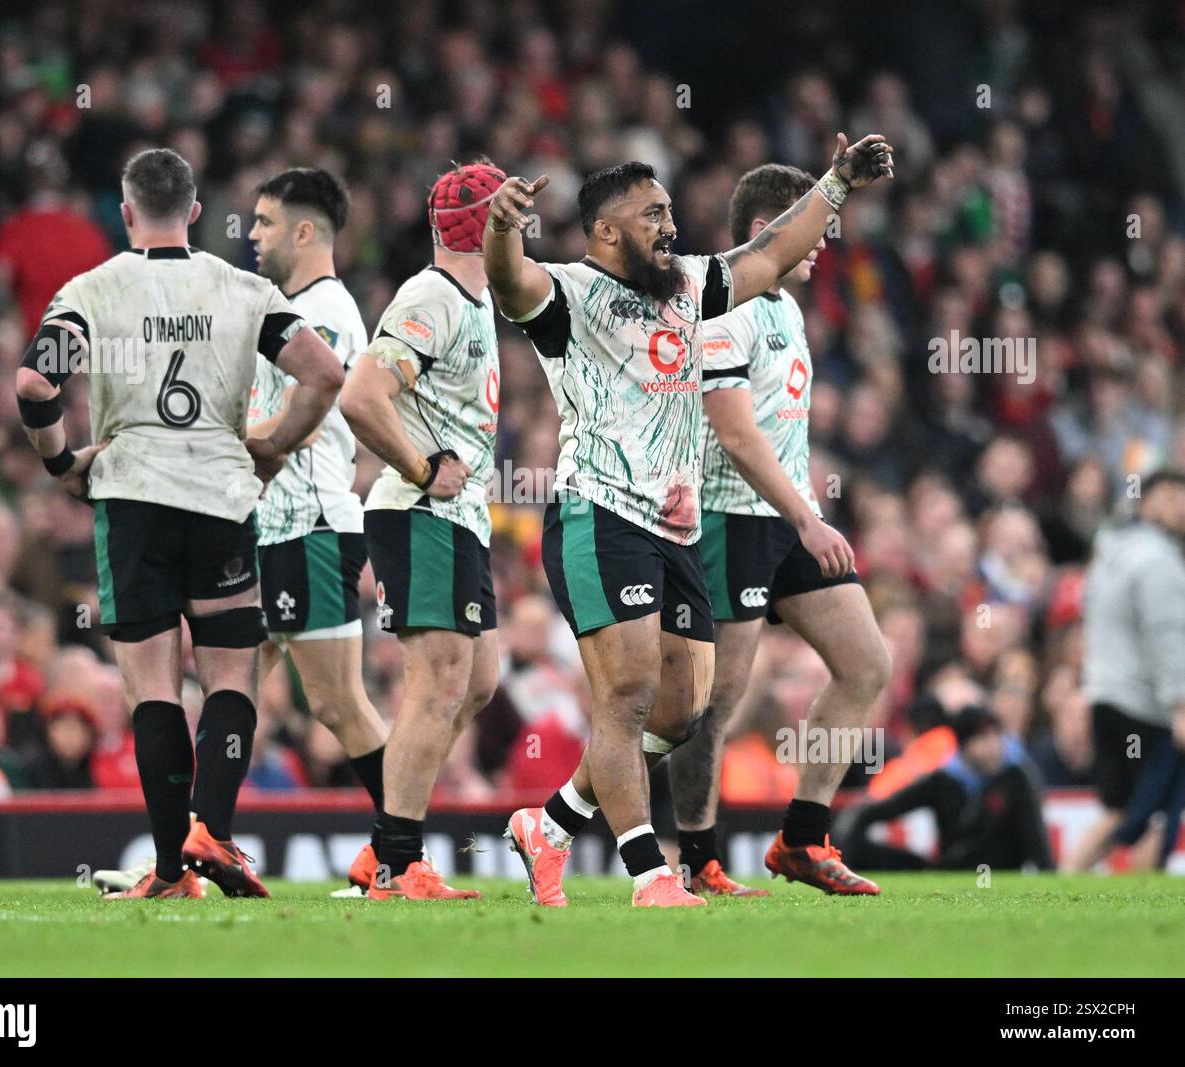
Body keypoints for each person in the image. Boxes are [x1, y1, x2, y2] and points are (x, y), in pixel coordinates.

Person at [483, 133, 893, 906]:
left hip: (676, 528)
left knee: (680, 712)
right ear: (606, 231)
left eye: (670, 209)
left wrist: (838, 182)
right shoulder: (569, 295)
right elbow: (509, 281)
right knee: (628, 692)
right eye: (651, 214)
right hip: (596, 512)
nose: (670, 224)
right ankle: (651, 873)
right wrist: (503, 226)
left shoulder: (688, 288)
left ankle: (553, 823)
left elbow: (770, 254)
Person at [14, 148, 344, 899]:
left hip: (131, 500)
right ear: (195, 212)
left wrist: (62, 462)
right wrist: (271, 448)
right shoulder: (244, 288)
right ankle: (214, 832)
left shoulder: (94, 289)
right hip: (220, 498)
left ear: (128, 212)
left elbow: (35, 381)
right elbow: (324, 373)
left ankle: (171, 872)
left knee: (153, 690)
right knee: (232, 676)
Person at [668, 164, 889, 897]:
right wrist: (807, 514)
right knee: (714, 701)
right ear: (770, 231)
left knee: (866, 663)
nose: (823, 243)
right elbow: (733, 434)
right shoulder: (725, 312)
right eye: (814, 228)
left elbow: (778, 429)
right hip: (732, 516)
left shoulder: (788, 310)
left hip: (786, 519)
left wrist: (802, 512)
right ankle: (694, 859)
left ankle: (801, 837)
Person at [339, 160, 507, 900]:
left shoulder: (478, 298)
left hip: (461, 518)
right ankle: (400, 862)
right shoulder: (432, 295)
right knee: (438, 685)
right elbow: (360, 393)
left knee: (476, 683)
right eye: (510, 216)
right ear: (487, 223)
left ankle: (385, 849)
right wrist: (419, 462)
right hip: (421, 510)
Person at [246, 168, 390, 892]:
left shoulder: (325, 308)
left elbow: (307, 411)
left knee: (338, 704)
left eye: (265, 222)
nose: (251, 234)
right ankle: (182, 848)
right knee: (229, 689)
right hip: (270, 529)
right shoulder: (284, 306)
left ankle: (405, 850)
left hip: (310, 523)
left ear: (305, 232)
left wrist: (231, 440)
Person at [1065, 468, 1185, 871]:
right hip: (1142, 704)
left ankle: (1060, 881)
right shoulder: (1158, 561)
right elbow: (1166, 636)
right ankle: (1145, 891)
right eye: (1172, 497)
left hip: (1105, 696)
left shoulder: (1109, 555)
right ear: (1146, 502)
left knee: (1119, 808)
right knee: (1153, 811)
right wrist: (1180, 702)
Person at [835, 706, 1054, 872]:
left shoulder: (1015, 778)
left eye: (997, 736)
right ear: (963, 745)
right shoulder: (944, 780)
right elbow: (880, 809)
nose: (994, 746)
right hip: (951, 870)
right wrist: (847, 831)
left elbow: (1037, 843)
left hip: (992, 874)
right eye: (983, 738)